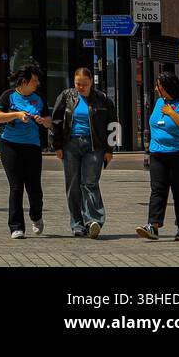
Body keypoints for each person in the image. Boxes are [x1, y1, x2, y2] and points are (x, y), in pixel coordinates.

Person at [50, 66, 118, 238]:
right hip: (70, 144)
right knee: (73, 184)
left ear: (91, 84)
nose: (80, 87)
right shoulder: (67, 96)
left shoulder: (102, 99)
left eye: (84, 84)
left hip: (94, 145)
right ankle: (77, 224)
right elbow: (56, 122)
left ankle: (93, 220)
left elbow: (114, 125)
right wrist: (56, 146)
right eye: (77, 84)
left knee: (90, 182)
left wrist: (110, 149)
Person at [0, 62, 52, 239]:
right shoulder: (8, 96)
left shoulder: (39, 99)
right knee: (16, 187)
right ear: (24, 81)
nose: (37, 83)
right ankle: (16, 227)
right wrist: (17, 115)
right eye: (34, 80)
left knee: (34, 188)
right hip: (10, 145)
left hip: (32, 147)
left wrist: (42, 120)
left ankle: (36, 216)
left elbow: (49, 122)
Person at [136, 71, 179, 241]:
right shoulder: (158, 103)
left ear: (166, 87)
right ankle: (153, 226)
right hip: (158, 154)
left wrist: (172, 113)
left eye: (159, 86)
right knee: (158, 190)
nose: (156, 89)